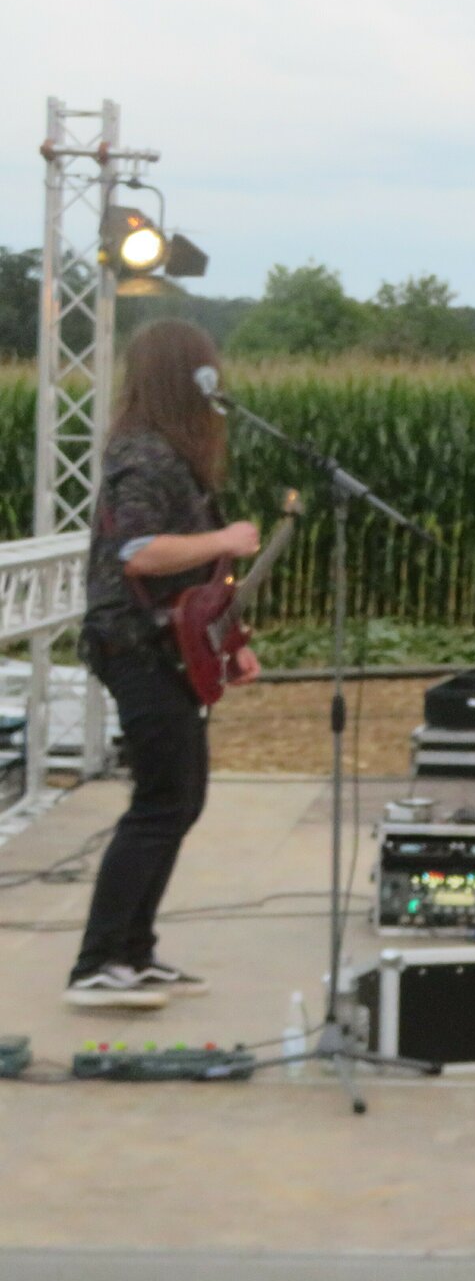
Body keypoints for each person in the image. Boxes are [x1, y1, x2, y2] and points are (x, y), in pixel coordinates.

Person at [67, 320, 262, 1010]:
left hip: (167, 647)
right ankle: (97, 963)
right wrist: (226, 537)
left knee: (181, 799)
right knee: (160, 803)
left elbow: (191, 585)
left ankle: (133, 952)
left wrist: (230, 643)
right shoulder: (145, 455)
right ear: (186, 376)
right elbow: (140, 553)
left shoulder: (168, 455)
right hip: (134, 646)